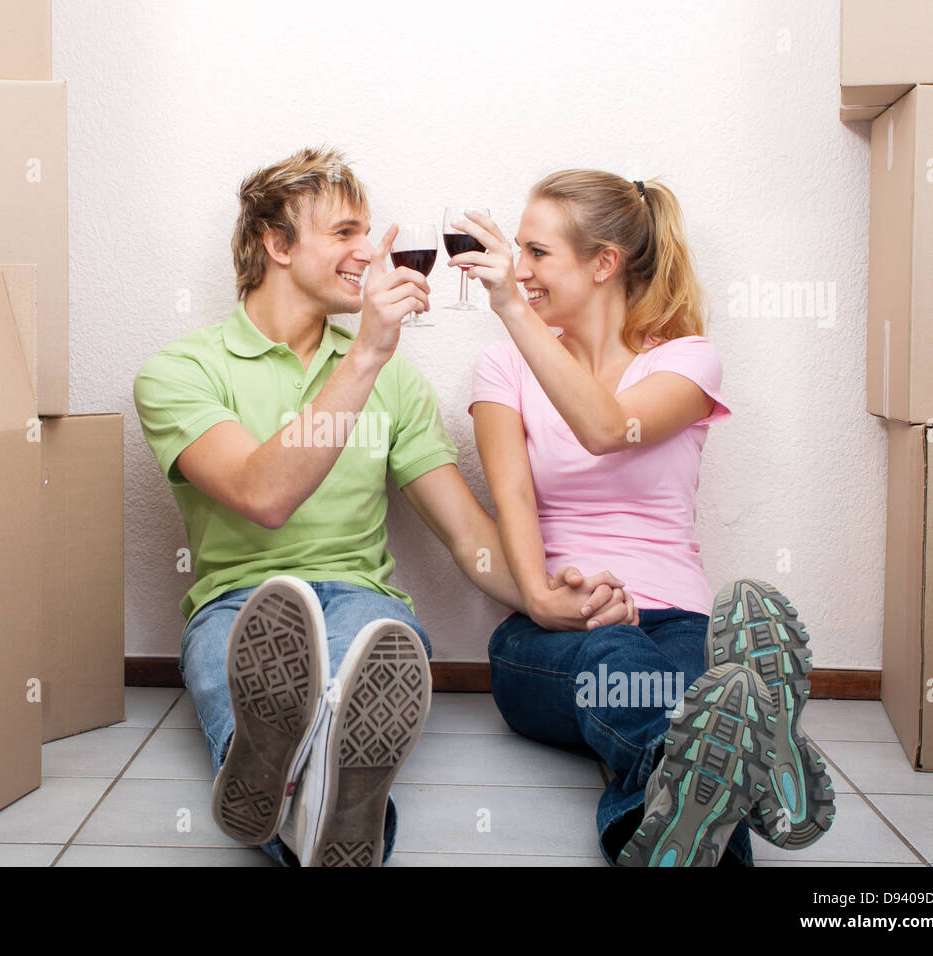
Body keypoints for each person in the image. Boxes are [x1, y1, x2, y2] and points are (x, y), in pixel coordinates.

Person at [133, 148, 637, 867]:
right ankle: (325, 796)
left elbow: (467, 536)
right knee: (247, 689)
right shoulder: (181, 372)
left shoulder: (395, 382)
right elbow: (262, 494)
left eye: (367, 232)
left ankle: (308, 780)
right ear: (277, 244)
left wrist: (544, 593)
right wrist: (363, 356)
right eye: (344, 233)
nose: (369, 251)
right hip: (238, 607)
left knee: (351, 681)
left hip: (361, 604)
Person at [454, 170, 836, 866]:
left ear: (605, 263)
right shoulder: (503, 366)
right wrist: (544, 599)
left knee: (697, 719)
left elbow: (608, 428)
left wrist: (511, 305)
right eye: (519, 250)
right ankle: (753, 762)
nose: (519, 267)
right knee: (646, 682)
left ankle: (695, 785)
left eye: (537, 252)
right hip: (551, 635)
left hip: (678, 622)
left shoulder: (688, 362)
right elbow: (510, 497)